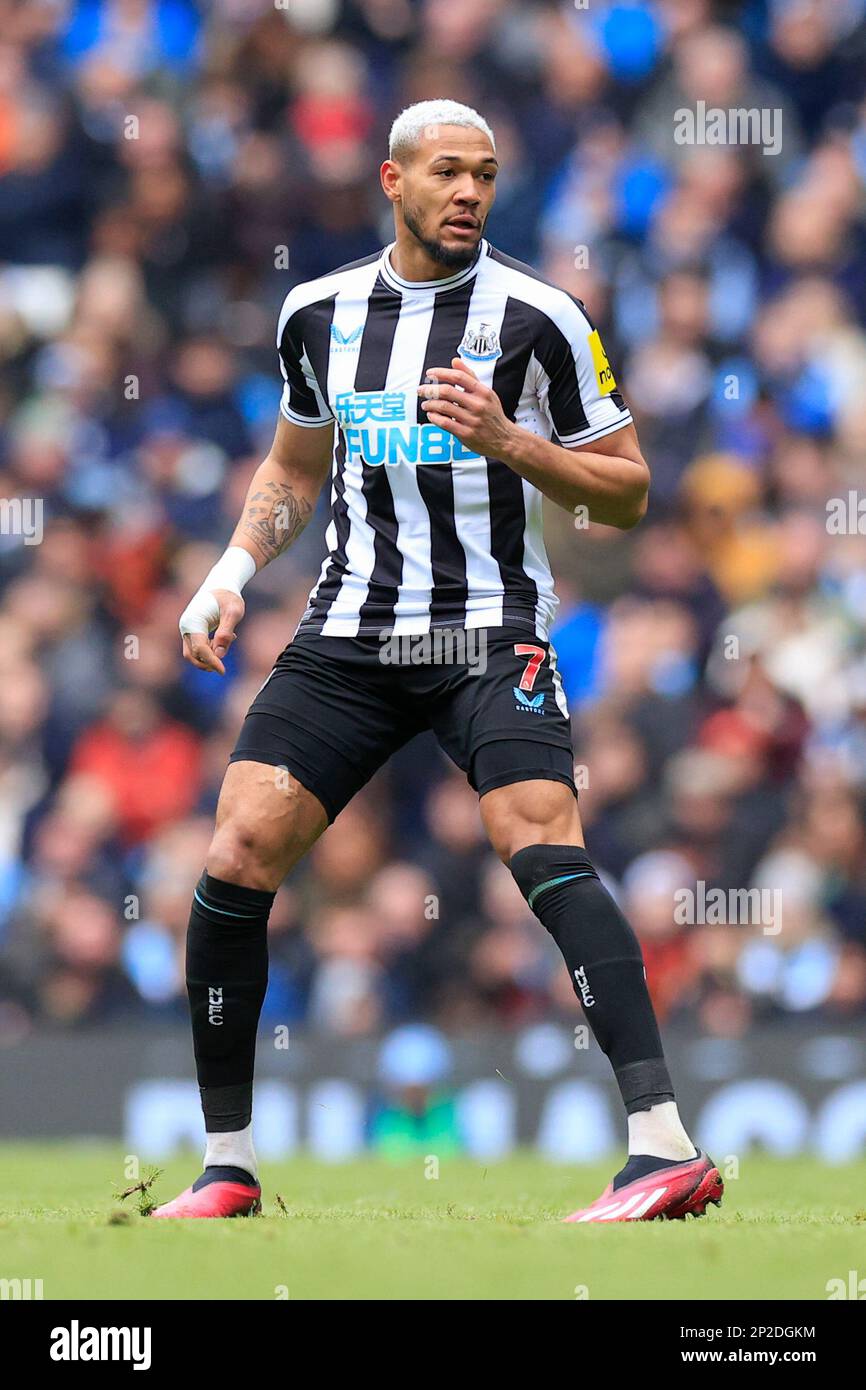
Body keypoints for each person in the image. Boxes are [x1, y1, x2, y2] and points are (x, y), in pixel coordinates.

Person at [154, 99, 723, 1223]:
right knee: (236, 846)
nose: (469, 193)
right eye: (449, 173)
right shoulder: (315, 313)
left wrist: (510, 442)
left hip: (486, 626)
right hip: (350, 632)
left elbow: (630, 487)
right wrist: (226, 571)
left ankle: (658, 1145)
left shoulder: (539, 316)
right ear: (392, 179)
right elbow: (291, 468)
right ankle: (227, 1166)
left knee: (536, 832)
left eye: (486, 176)